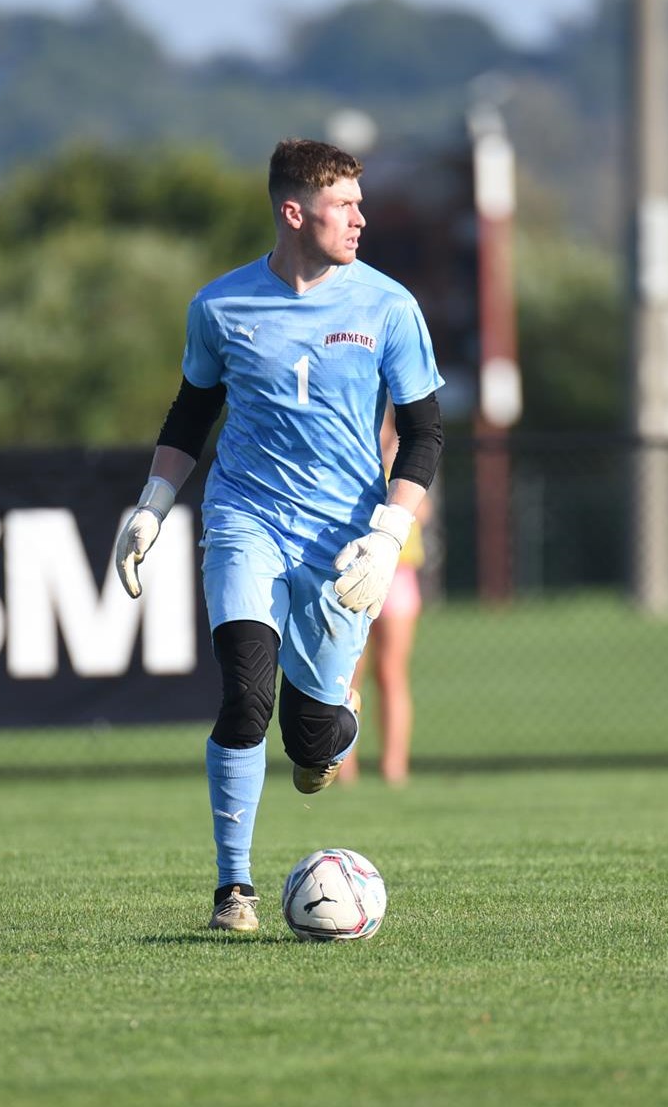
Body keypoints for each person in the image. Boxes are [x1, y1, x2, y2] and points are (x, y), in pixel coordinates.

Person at [113, 138, 445, 933]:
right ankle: (235, 892)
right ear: (295, 212)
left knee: (310, 740)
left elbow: (428, 432)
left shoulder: (388, 306)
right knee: (244, 696)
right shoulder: (220, 307)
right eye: (345, 205)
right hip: (245, 519)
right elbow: (191, 415)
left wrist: (390, 531)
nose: (362, 218)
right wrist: (153, 504)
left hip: (344, 544)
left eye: (361, 203)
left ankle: (338, 722)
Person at [341, 407, 427, 788]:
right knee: (346, 674)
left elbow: (419, 513)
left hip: (399, 572)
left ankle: (394, 767)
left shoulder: (406, 455)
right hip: (351, 571)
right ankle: (342, 765)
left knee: (390, 672)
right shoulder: (345, 452)